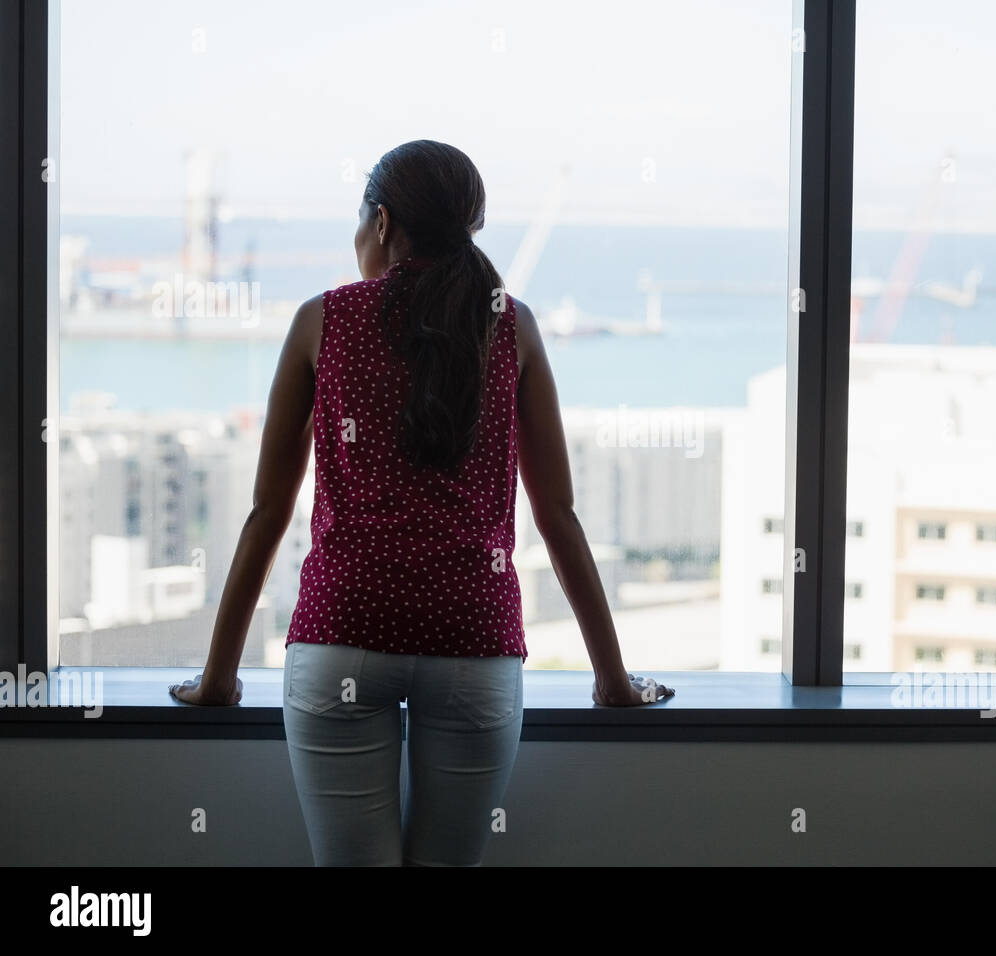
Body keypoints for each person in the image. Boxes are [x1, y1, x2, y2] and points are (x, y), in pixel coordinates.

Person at [168, 139, 674, 866]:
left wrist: (219, 680)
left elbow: (268, 511)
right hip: (473, 641)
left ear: (380, 224)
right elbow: (556, 513)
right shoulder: (512, 323)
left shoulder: (324, 320)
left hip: (344, 630)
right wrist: (613, 681)